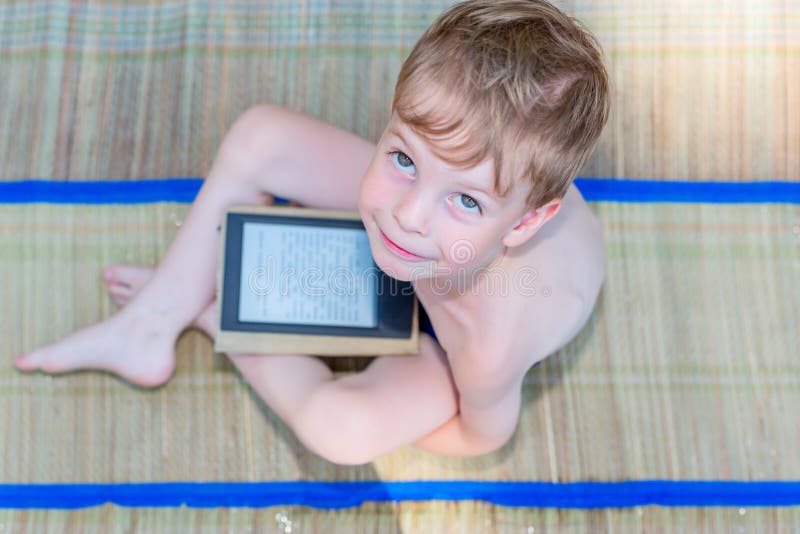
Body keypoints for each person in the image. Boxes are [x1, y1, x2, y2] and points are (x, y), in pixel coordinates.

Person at [14, 0, 609, 465]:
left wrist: (397, 404)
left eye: (464, 199)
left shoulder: (490, 347)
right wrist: (443, 194)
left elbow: (482, 435)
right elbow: (434, 185)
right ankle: (149, 325)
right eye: (402, 157)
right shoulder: (437, 213)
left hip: (449, 345)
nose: (407, 214)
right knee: (260, 137)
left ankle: (223, 321)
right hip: (445, 261)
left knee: (339, 429)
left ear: (526, 223)